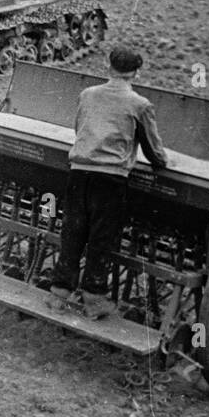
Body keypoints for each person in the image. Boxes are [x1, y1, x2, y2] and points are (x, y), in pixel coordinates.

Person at [48, 45, 168, 319]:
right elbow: (153, 149)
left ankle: (59, 296)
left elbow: (80, 130)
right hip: (111, 180)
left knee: (73, 231)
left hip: (79, 171)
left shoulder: (87, 95)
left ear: (108, 67)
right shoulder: (140, 104)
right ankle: (93, 301)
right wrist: (162, 163)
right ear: (136, 72)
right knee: (101, 238)